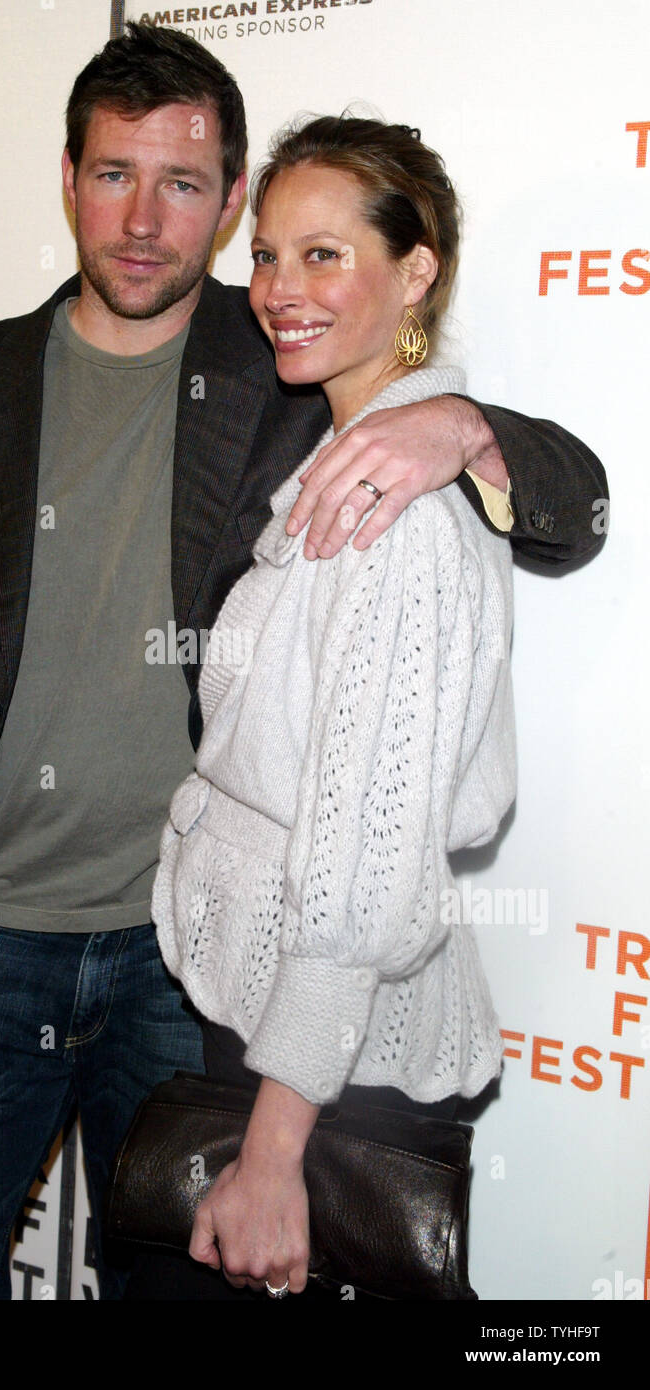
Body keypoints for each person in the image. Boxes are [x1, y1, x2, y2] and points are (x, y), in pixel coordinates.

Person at [0, 23, 606, 1301]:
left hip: (181, 971)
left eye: (184, 184)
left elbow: (575, 497)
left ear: (228, 198)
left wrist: (465, 429)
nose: (143, 219)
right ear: (67, 177)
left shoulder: (292, 356)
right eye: (114, 174)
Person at [147, 115, 532, 1301]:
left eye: (325, 255)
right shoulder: (351, 455)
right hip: (290, 1043)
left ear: (415, 272)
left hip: (328, 1076)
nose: (279, 288)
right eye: (266, 254)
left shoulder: (400, 515)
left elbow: (365, 880)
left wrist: (272, 1156)